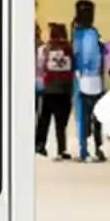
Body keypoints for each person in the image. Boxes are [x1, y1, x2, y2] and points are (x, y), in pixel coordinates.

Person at [71, 0, 107, 162]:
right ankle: (98, 148)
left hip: (81, 79)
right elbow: (102, 55)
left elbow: (76, 55)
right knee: (97, 117)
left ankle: (84, 150)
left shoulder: (77, 34)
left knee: (82, 117)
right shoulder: (95, 34)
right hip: (97, 80)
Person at [36, 23, 74, 159]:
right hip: (64, 90)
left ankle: (40, 145)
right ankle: (61, 149)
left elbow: (40, 67)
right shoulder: (69, 48)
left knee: (44, 119)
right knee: (61, 124)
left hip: (49, 89)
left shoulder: (44, 49)